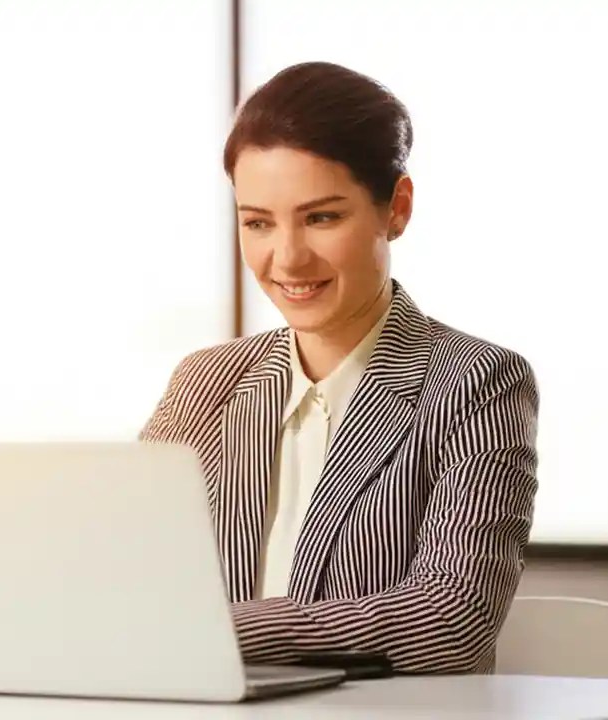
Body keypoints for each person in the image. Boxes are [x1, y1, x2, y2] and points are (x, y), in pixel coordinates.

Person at [139, 61, 539, 674]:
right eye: (258, 223)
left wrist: (210, 629)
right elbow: (118, 576)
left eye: (322, 217)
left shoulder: (475, 381)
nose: (288, 259)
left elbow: (452, 619)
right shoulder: (204, 383)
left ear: (395, 209)